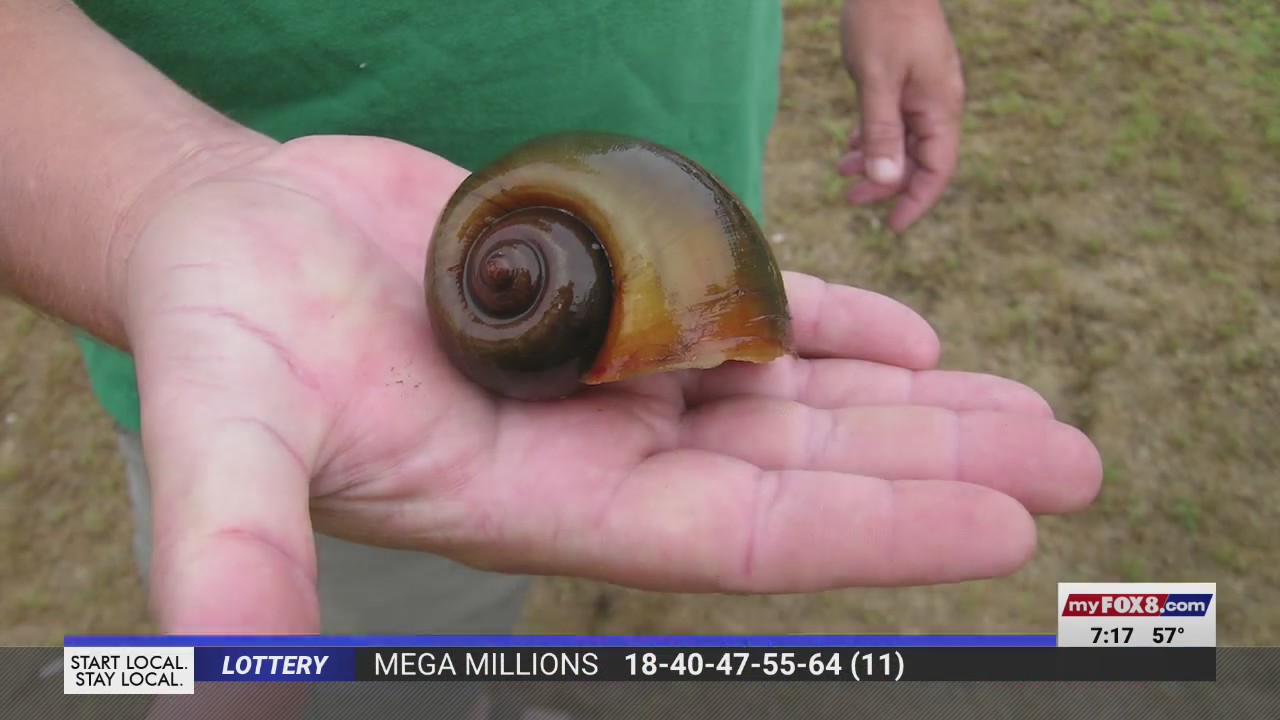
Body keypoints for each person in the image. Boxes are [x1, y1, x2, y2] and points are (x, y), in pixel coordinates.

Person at [2, 0, 1100, 716]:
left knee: (468, 618)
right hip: (324, 341)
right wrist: (155, 190)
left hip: (667, 140)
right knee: (369, 659)